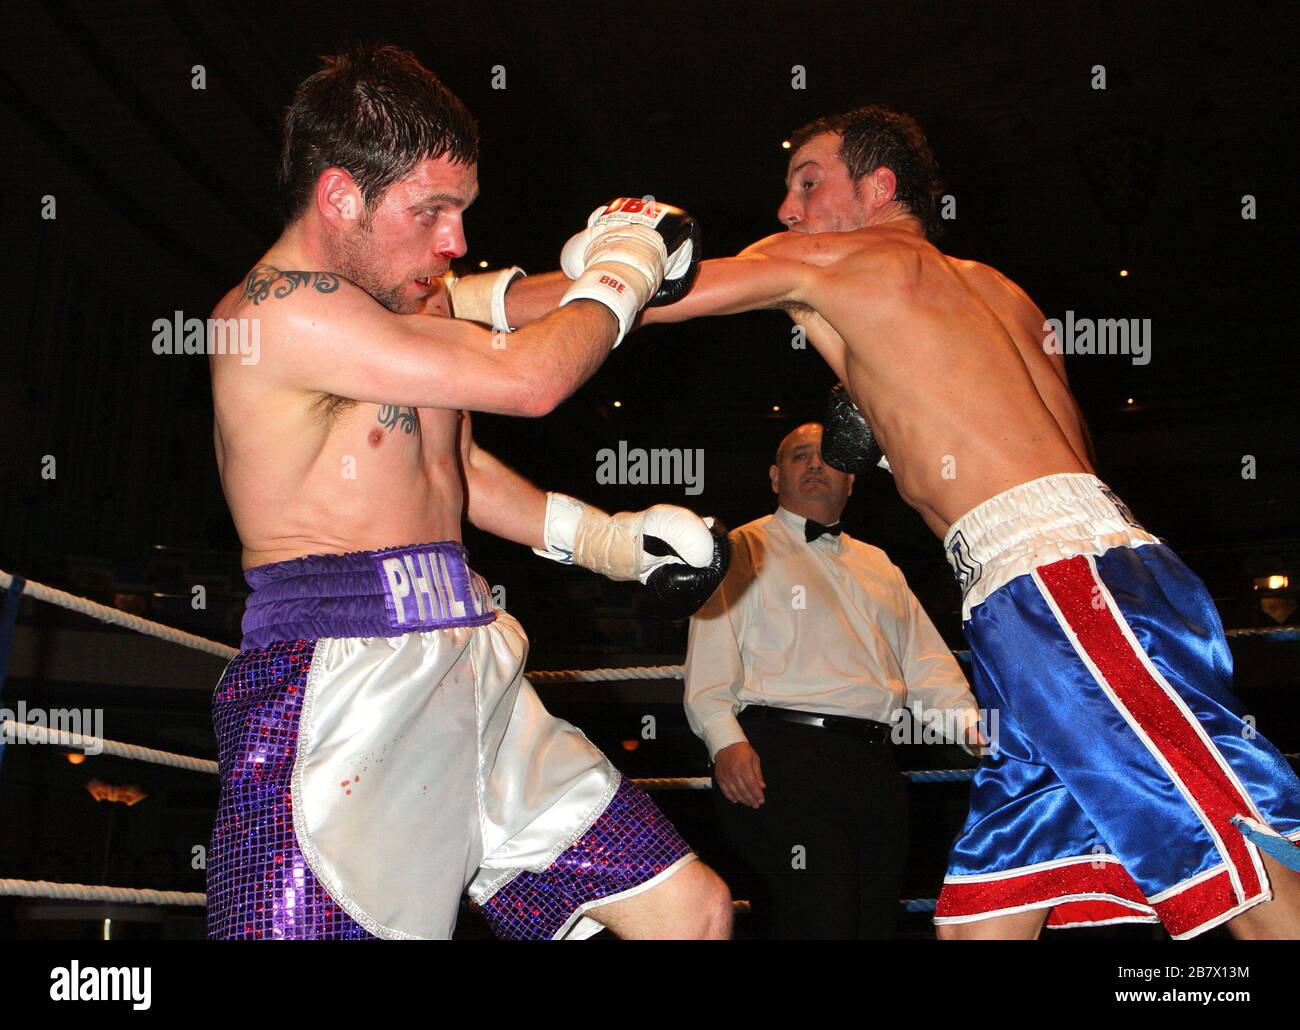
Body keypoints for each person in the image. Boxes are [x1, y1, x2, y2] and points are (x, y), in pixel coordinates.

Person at [633, 105, 1300, 939]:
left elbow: (647, 299)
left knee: (1236, 855)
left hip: (1061, 588)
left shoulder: (829, 261)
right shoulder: (999, 292)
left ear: (878, 188)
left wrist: (479, 300)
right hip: (1046, 591)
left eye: (808, 183)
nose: (787, 211)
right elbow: (1064, 451)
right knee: (988, 909)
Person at [204, 44, 732, 941]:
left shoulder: (406, 305)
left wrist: (604, 538)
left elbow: (452, 469)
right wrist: (623, 269)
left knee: (691, 913)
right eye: (431, 211)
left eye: (461, 211)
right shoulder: (272, 313)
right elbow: (531, 378)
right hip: (336, 682)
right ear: (340, 196)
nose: (453, 239)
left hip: (469, 658)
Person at [685, 422, 979, 938]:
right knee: (823, 914)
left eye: (829, 458)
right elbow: (709, 660)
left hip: (873, 763)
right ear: (776, 477)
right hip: (781, 756)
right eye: (801, 456)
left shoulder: (879, 563)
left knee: (873, 921)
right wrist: (724, 740)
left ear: (852, 480)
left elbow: (927, 666)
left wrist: (979, 735)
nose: (816, 465)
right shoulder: (737, 549)